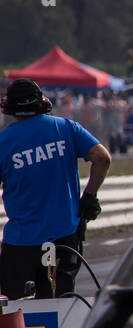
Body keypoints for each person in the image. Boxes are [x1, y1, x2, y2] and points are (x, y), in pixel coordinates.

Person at [0, 78, 112, 299]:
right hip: (64, 238)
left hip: (21, 244)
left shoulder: (3, 141)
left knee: (18, 312)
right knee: (59, 304)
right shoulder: (66, 128)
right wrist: (89, 196)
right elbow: (102, 158)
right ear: (42, 102)